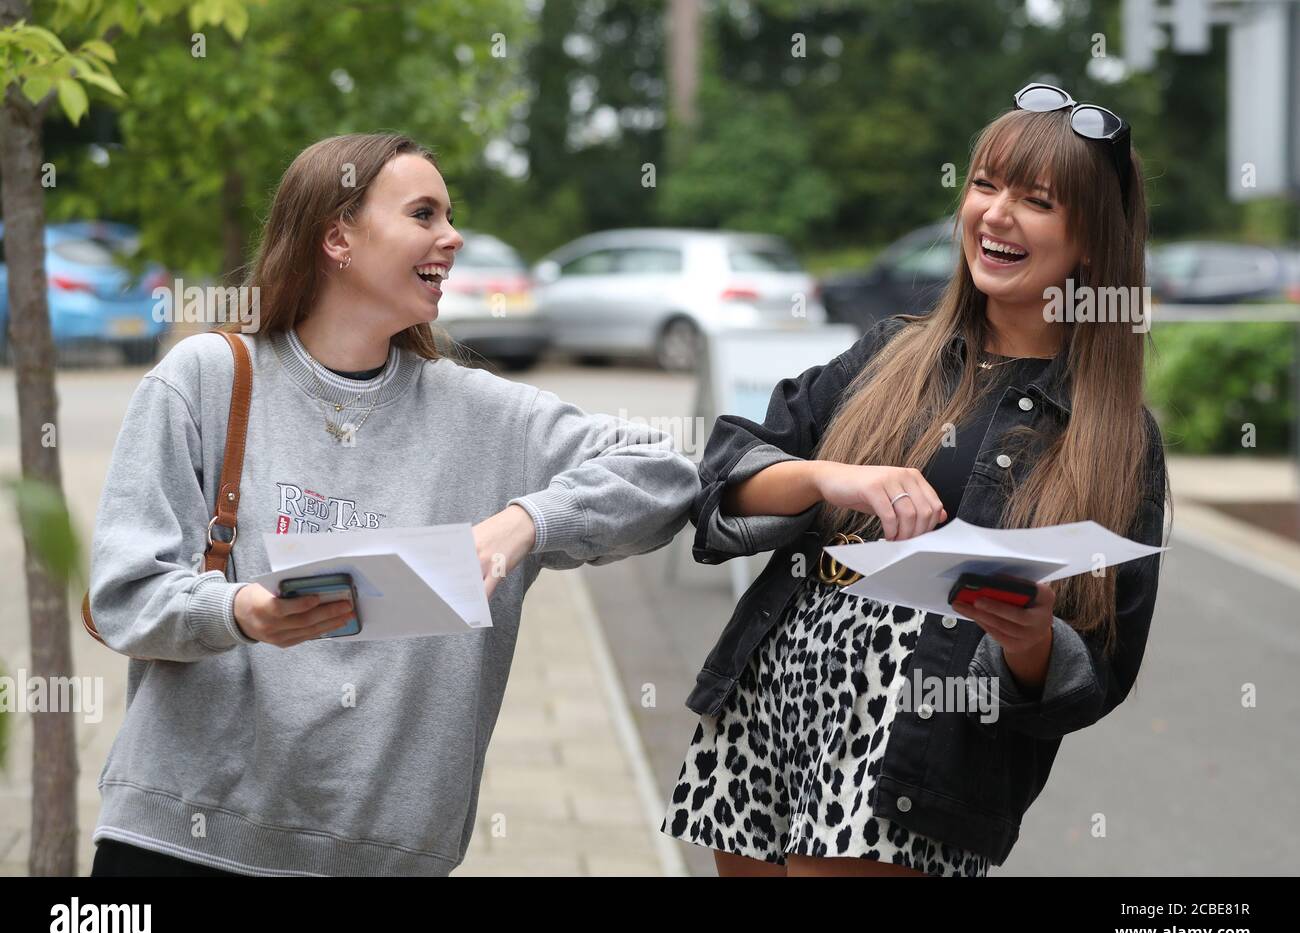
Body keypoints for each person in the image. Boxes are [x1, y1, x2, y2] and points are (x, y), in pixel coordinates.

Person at [87, 132, 699, 876]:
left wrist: (525, 522)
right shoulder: (206, 379)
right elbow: (124, 594)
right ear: (337, 236)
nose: (454, 235)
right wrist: (239, 610)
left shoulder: (480, 413)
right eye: (424, 213)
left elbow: (667, 473)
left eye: (450, 214)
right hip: (182, 840)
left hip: (383, 855)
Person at [661, 85, 1172, 876]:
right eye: (984, 185)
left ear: (1092, 246)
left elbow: (1100, 668)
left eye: (1035, 200)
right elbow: (724, 480)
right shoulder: (889, 352)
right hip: (773, 694)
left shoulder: (1115, 440)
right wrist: (832, 478)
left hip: (920, 742)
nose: (996, 215)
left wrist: (1032, 641)